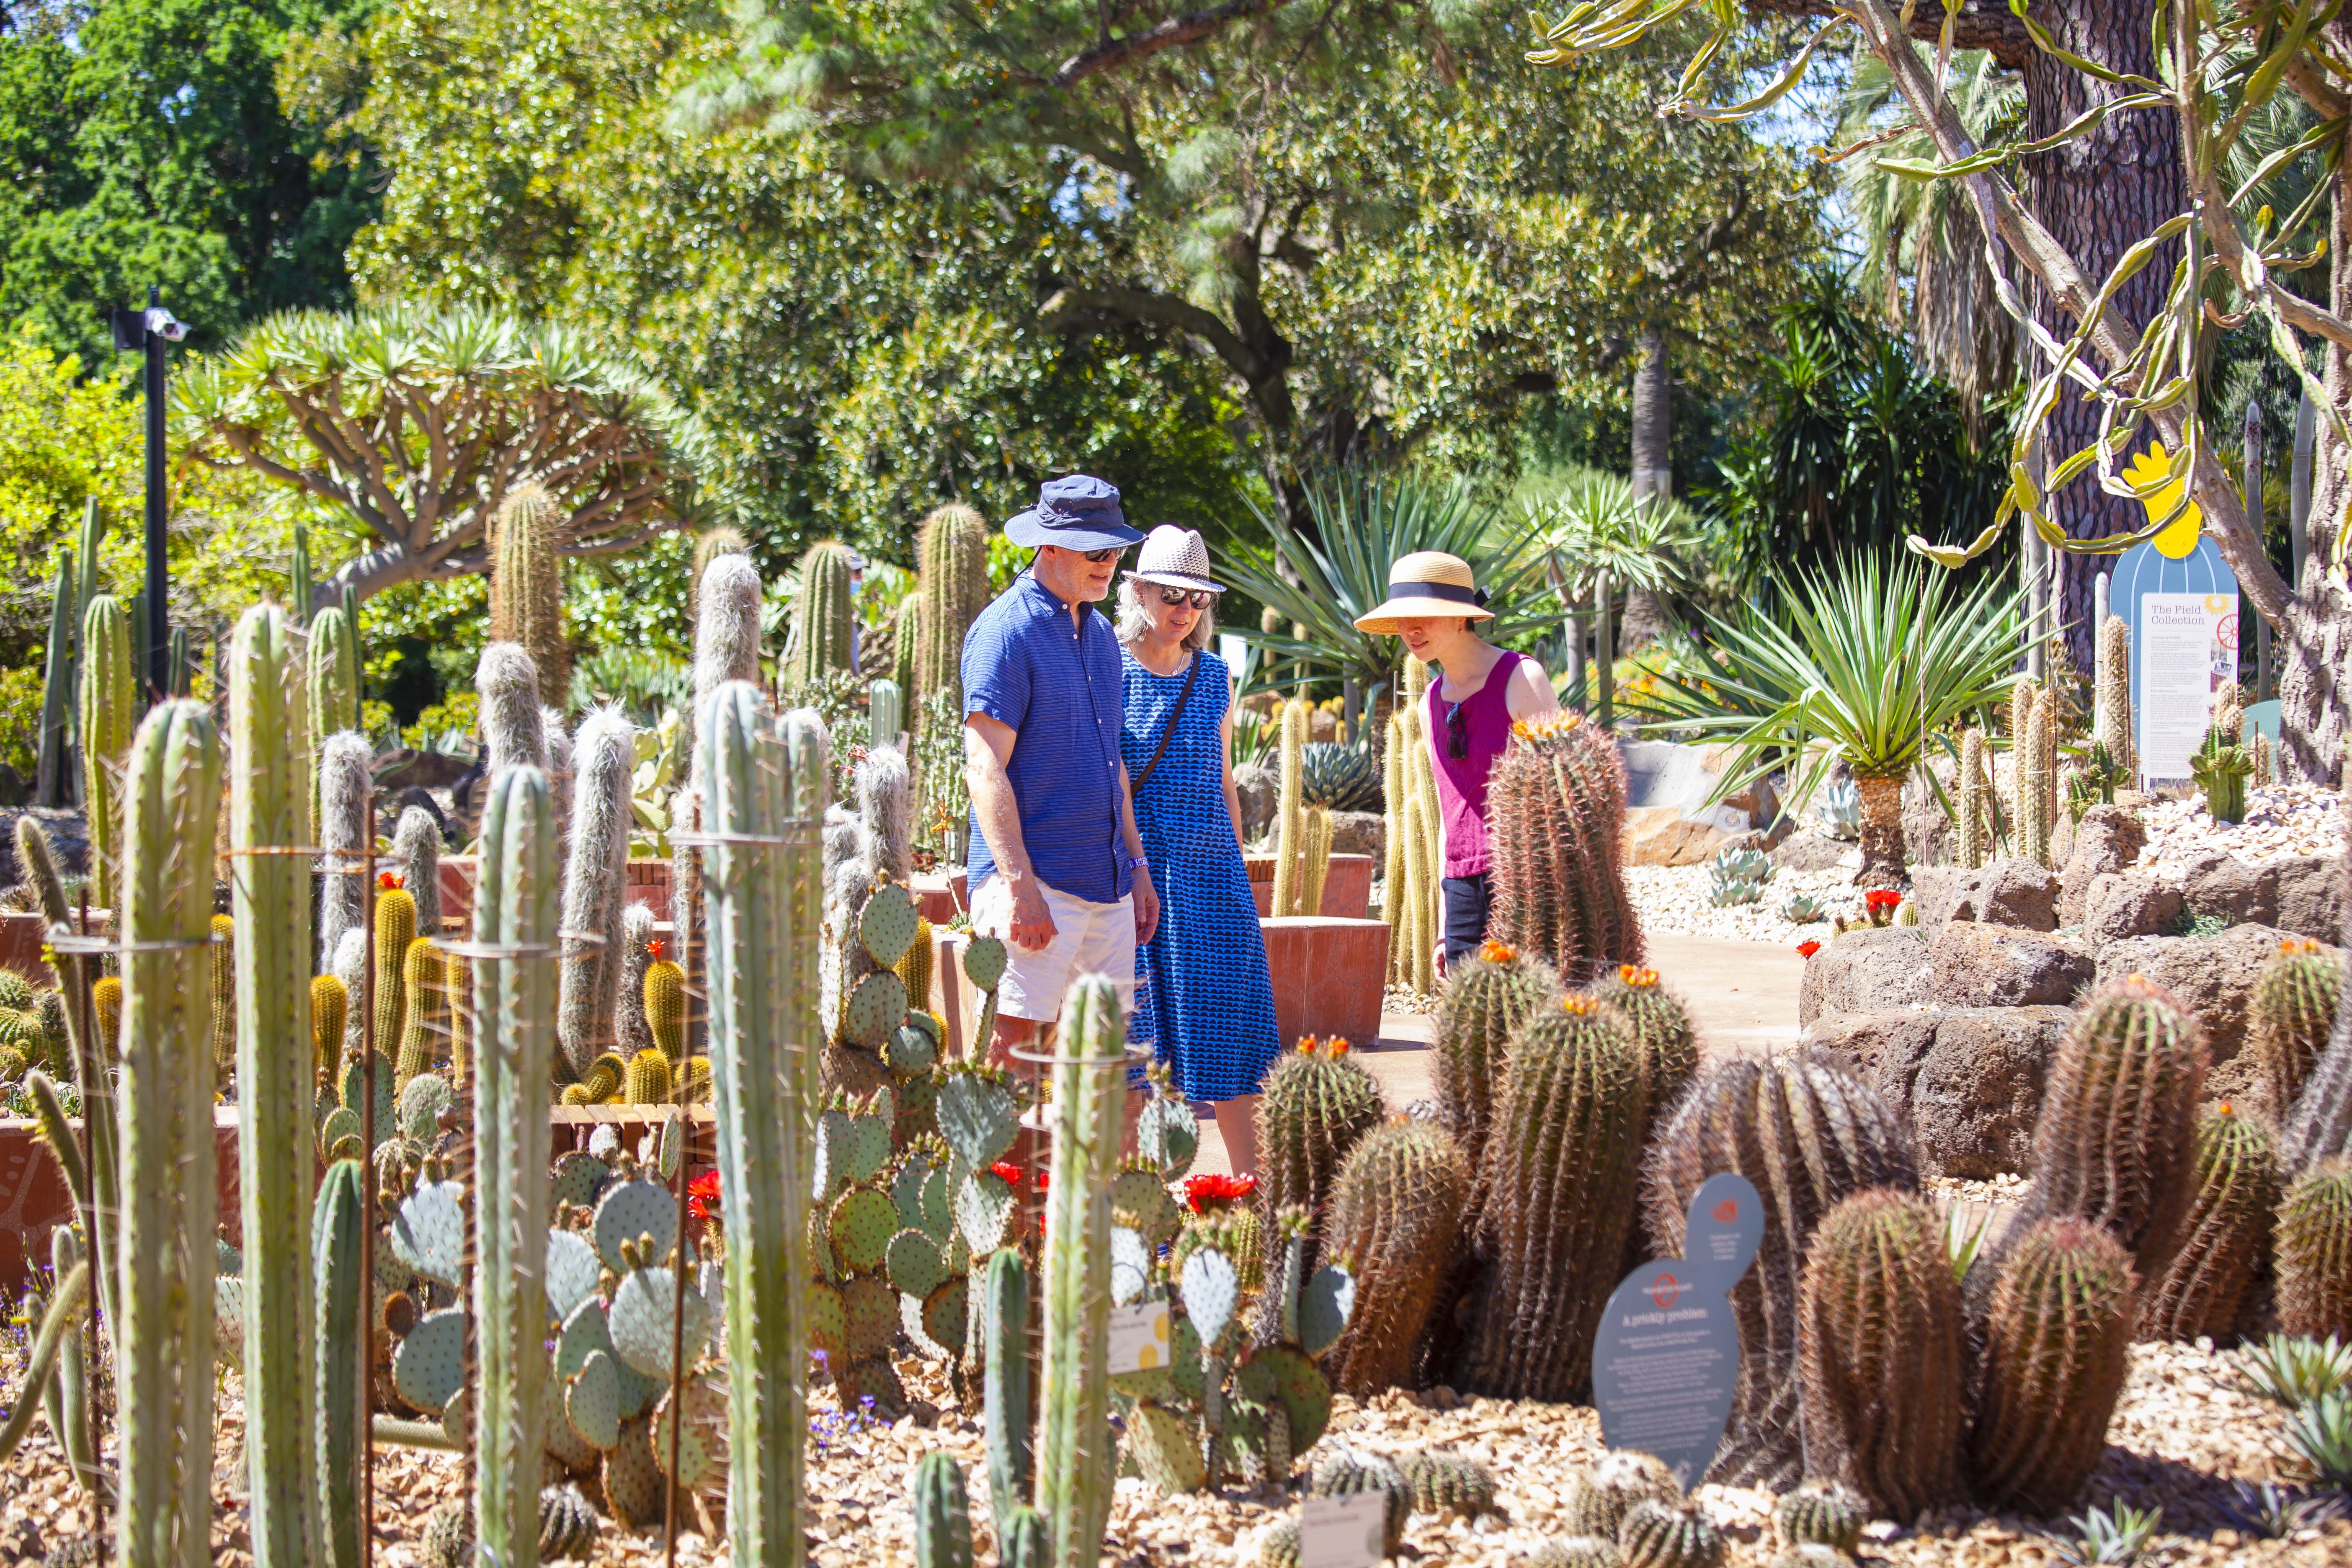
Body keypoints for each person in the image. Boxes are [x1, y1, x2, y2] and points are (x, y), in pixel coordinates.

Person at [961, 475, 1161, 1067]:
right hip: (1037, 885)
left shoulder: (1100, 635)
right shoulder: (1006, 631)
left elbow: (1111, 765)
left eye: (1116, 550)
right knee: (1011, 1064)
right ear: (1049, 546)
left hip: (1108, 885)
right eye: (1096, 551)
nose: (1110, 563)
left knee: (1102, 1073)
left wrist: (1137, 866)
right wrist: (1020, 889)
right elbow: (984, 768)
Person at [1116, 526, 1281, 1176]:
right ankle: (1147, 1205)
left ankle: (1252, 1196)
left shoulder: (1214, 676)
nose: (1185, 609)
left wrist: (1237, 874)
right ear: (1139, 592)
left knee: (1232, 1031)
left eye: (1197, 598)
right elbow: (1111, 784)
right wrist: (1133, 868)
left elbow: (1223, 780)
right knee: (1142, 1045)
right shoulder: (1109, 670)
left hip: (1213, 880)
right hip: (1142, 879)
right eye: (1171, 594)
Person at [1353, 550, 1561, 974]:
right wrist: (1446, 925)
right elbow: (1451, 815)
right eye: (1402, 618)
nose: (1410, 629)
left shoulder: (1522, 679)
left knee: (1534, 1006)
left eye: (1424, 615)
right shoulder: (1429, 702)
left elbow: (1567, 790)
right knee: (1474, 1012)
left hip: (1529, 876)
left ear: (1461, 615)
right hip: (1463, 885)